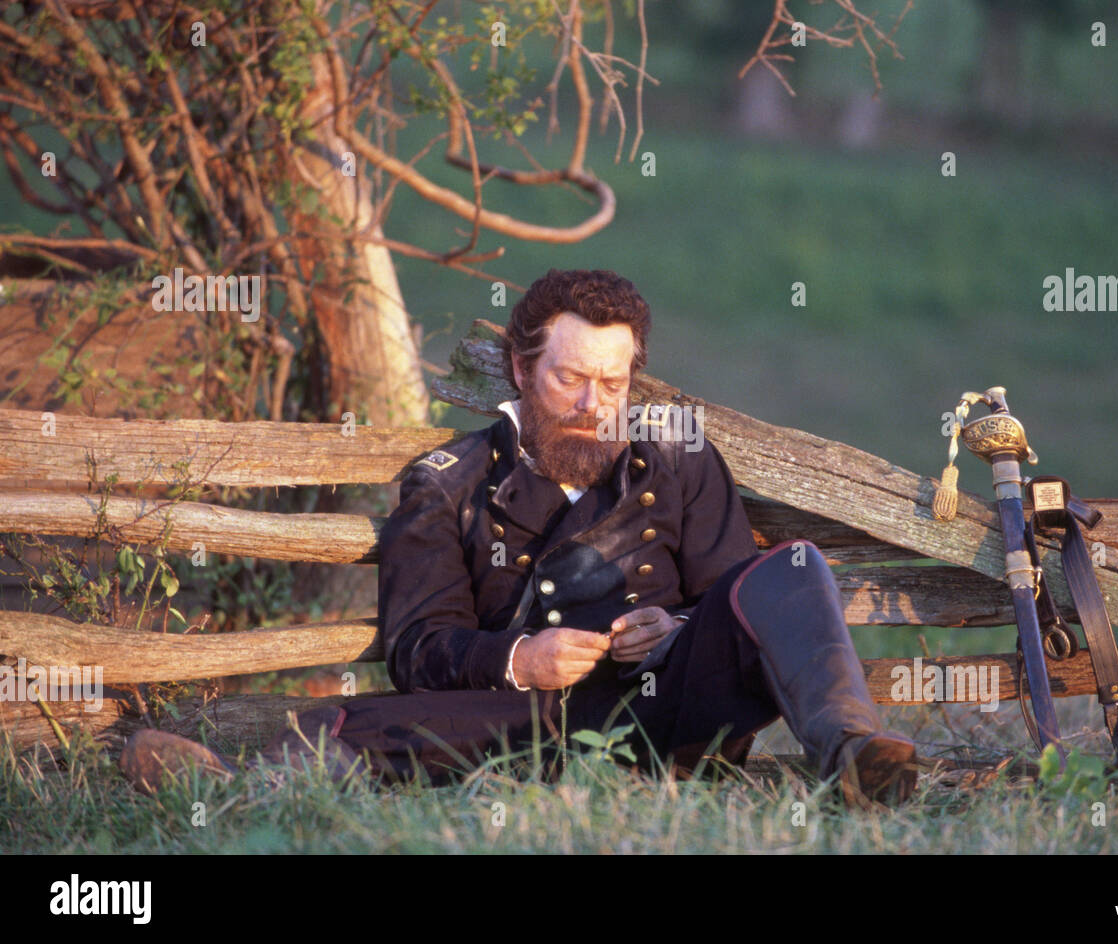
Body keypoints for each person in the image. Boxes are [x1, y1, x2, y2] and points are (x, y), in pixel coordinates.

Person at [120, 269, 918, 807]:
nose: (592, 404)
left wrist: (673, 628)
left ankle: (851, 755)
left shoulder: (678, 458)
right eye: (569, 378)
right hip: (533, 725)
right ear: (520, 367)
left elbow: (737, 602)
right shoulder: (445, 485)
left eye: (613, 383)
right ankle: (231, 790)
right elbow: (418, 647)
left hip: (677, 721)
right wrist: (517, 659)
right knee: (394, 722)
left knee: (795, 565)